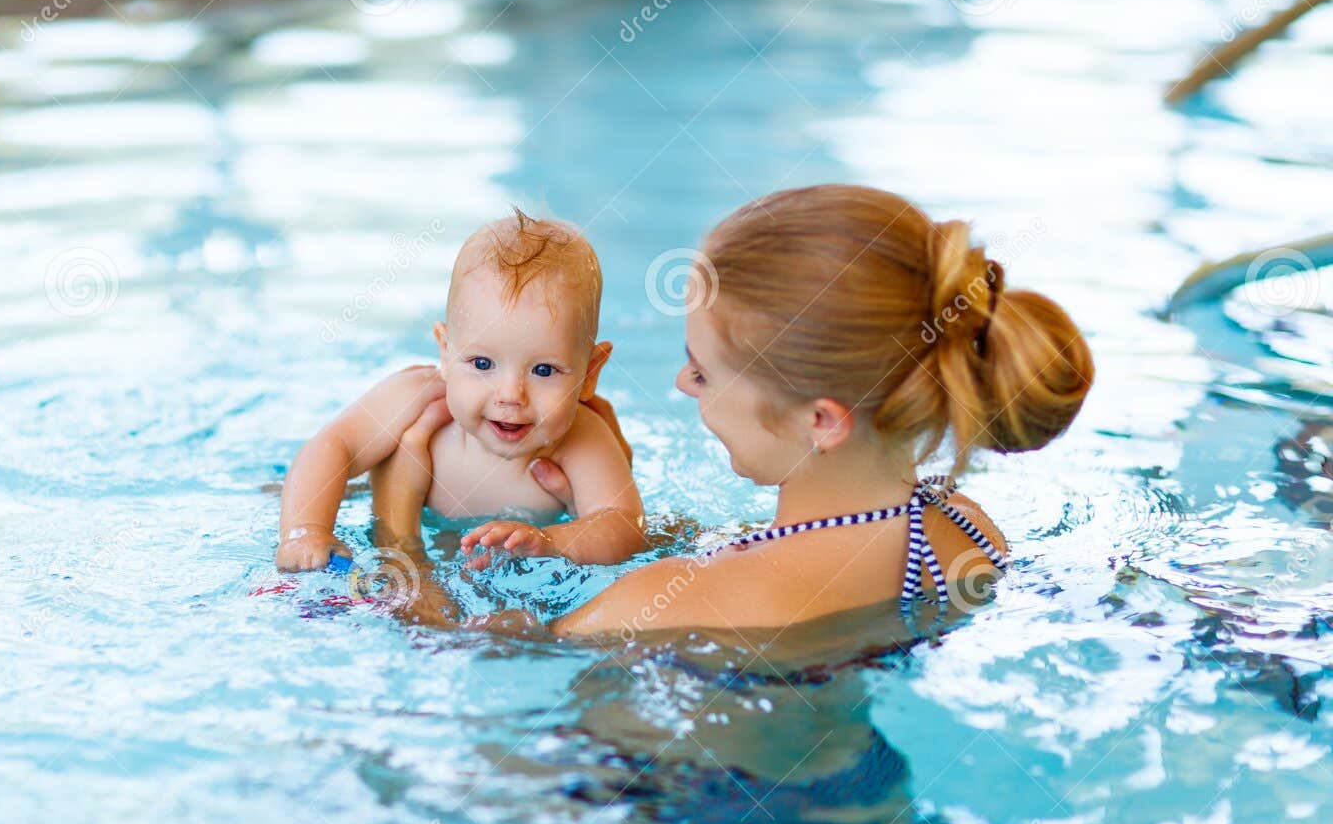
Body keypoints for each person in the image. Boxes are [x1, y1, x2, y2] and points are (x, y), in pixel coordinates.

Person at [378, 185, 1094, 637]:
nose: (684, 384)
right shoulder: (965, 528)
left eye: (707, 371)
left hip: (704, 812)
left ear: (822, 421)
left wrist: (405, 566)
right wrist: (626, 517)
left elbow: (484, 648)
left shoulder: (668, 604)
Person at [274, 208, 645, 573]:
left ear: (590, 372)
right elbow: (332, 444)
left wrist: (552, 542)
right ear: (446, 353)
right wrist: (306, 529)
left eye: (543, 370)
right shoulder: (416, 398)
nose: (511, 395)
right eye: (482, 364)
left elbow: (624, 526)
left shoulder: (582, 438)